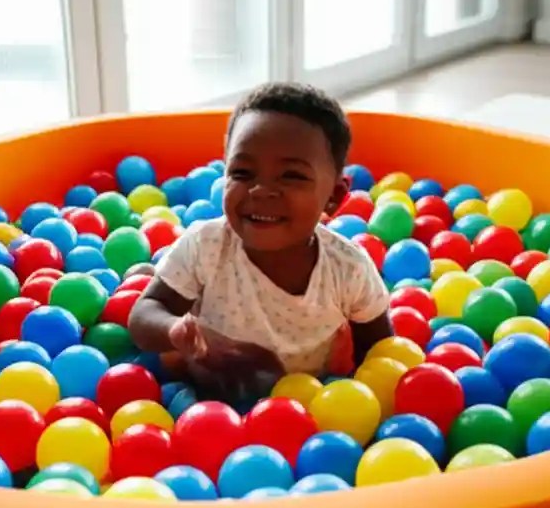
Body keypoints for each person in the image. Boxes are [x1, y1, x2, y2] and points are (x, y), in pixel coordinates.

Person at [129, 82, 392, 402]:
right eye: (242, 173)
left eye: (291, 176)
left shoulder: (347, 268)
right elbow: (144, 314)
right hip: (202, 402)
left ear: (334, 197)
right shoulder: (206, 246)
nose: (261, 191)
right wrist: (175, 330)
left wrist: (351, 403)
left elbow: (379, 354)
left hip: (307, 408)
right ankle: (145, 273)